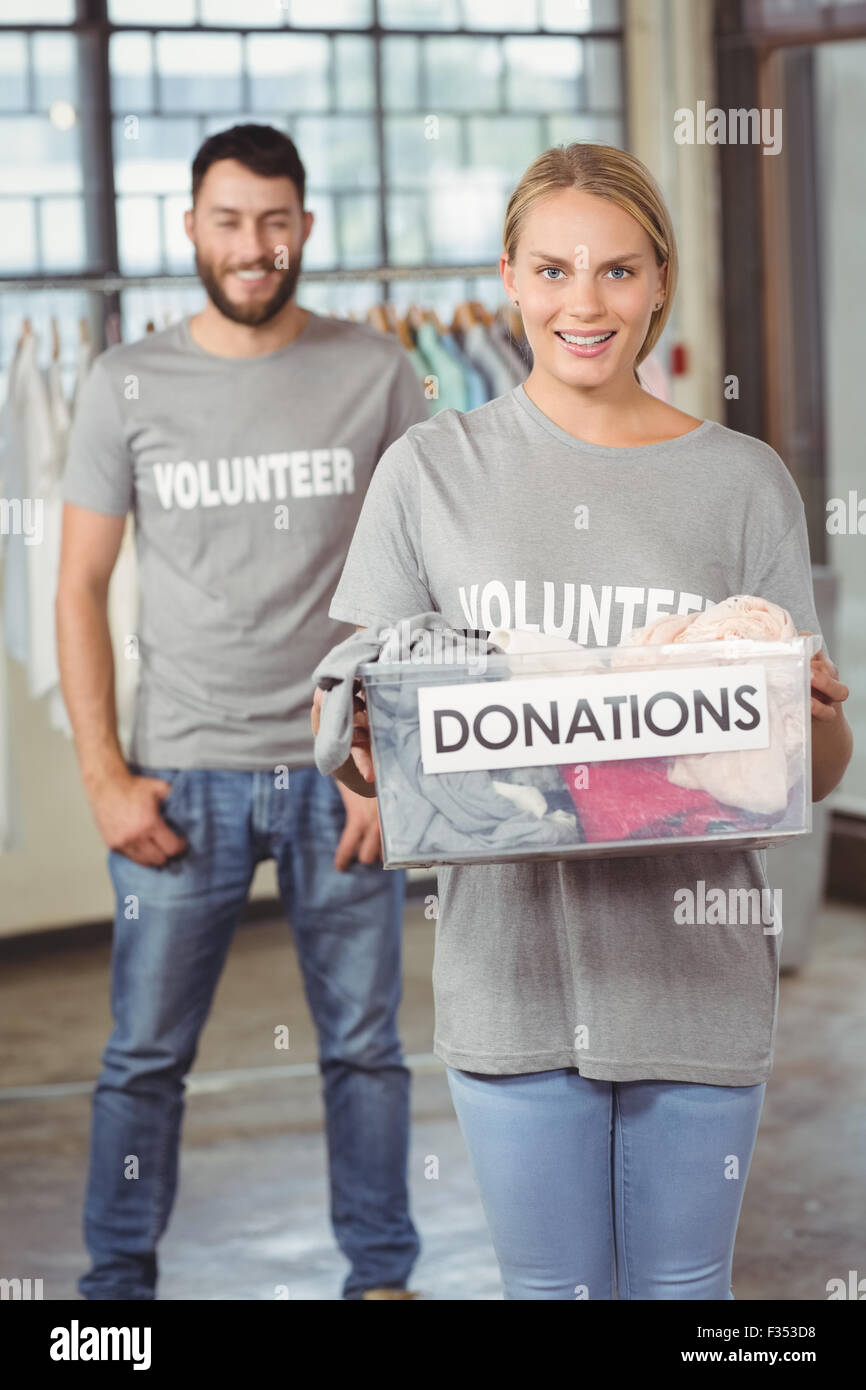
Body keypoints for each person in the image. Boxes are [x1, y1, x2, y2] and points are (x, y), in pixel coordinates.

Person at [313, 143, 853, 1300]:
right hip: (507, 980)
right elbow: (373, 746)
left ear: (658, 279)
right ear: (508, 277)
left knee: (682, 1293)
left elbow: (804, 773)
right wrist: (366, 751)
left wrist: (804, 716)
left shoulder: (741, 480)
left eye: (615, 271)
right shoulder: (429, 472)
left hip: (696, 977)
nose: (583, 302)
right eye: (552, 269)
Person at [56, 123, 428, 1301]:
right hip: (183, 772)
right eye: (229, 220)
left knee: (366, 1050)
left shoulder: (377, 371)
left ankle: (380, 1277)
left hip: (335, 772)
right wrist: (104, 777)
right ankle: (114, 1289)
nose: (253, 245)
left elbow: (422, 587)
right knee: (145, 1056)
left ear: (305, 227)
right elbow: (74, 584)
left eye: (275, 221)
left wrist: (388, 763)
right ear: (192, 229)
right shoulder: (127, 382)